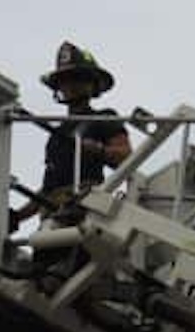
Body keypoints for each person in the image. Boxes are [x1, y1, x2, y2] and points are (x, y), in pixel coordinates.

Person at [11, 41, 131, 228]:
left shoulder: (103, 118)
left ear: (93, 85)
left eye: (77, 78)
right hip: (53, 217)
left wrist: (98, 150)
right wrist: (18, 216)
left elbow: (126, 157)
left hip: (87, 211)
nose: (70, 85)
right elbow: (48, 189)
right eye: (64, 80)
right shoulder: (56, 136)